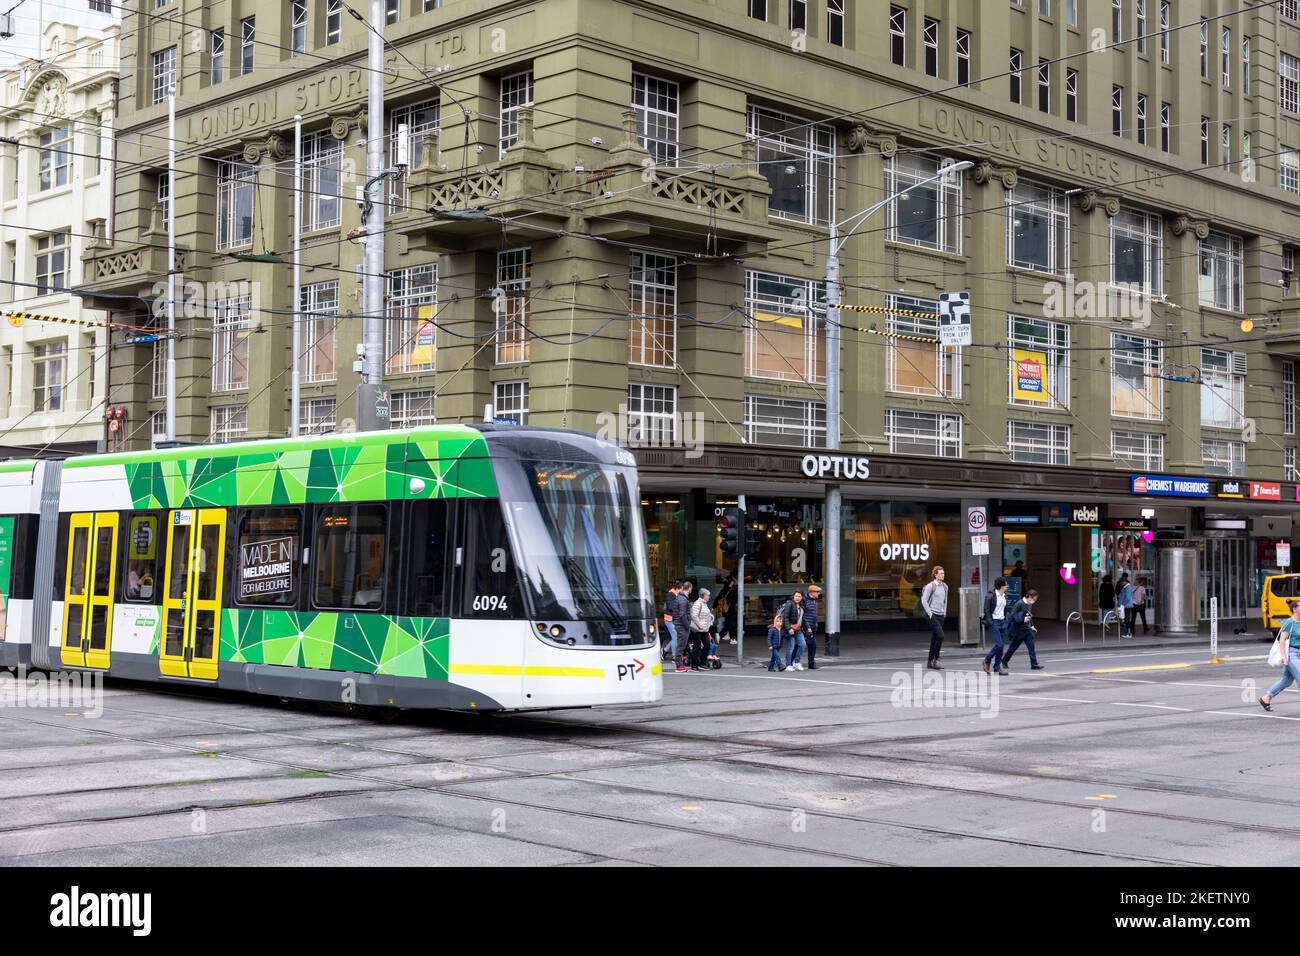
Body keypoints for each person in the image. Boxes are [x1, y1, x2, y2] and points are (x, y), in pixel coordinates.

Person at [1260, 599, 1300, 710]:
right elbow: (1282, 640)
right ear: (1294, 609)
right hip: (1291, 654)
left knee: (1286, 681)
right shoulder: (1289, 622)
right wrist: (1284, 656)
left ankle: (1266, 698)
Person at [1002, 589, 1043, 672]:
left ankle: (1034, 664)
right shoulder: (1019, 604)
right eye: (1034, 599)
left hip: (1027, 630)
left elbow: (1029, 615)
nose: (1034, 601)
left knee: (1031, 647)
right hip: (1019, 630)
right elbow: (1012, 616)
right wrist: (1021, 619)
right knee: (1013, 648)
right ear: (1029, 597)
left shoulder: (1029, 604)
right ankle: (1004, 660)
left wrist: (1032, 626)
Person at [921, 566, 948, 670]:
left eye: (943, 573)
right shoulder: (930, 586)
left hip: (941, 615)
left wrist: (944, 613)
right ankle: (936, 659)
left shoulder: (945, 586)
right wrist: (929, 612)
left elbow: (945, 600)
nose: (942, 575)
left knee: (935, 638)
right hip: (932, 615)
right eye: (940, 573)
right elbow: (924, 600)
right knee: (940, 636)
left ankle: (929, 662)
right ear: (935, 575)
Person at [981, 576, 1009, 675]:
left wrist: (1006, 620)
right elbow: (986, 610)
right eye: (1006, 584)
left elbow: (1005, 610)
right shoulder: (990, 596)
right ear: (1001, 586)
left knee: (1001, 647)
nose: (1007, 586)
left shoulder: (1005, 596)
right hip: (994, 622)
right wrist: (990, 622)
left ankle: (997, 668)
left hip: (1002, 622)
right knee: (999, 644)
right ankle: (987, 660)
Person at [777, 589, 807, 671]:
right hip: (790, 629)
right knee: (791, 647)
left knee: (802, 644)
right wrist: (789, 628)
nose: (798, 598)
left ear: (802, 597)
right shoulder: (789, 604)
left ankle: (796, 662)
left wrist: (808, 627)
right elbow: (785, 617)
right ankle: (788, 665)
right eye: (796, 596)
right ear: (793, 596)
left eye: (799, 596)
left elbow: (803, 618)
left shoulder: (801, 605)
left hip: (798, 628)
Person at [687, 586, 715, 671]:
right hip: (697, 630)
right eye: (708, 595)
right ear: (703, 595)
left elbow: (706, 615)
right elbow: (694, 616)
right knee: (697, 647)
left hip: (704, 630)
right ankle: (695, 665)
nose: (709, 597)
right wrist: (700, 625)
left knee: (707, 645)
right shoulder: (697, 603)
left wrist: (710, 617)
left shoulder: (704, 604)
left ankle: (702, 663)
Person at [672, 581, 693, 673]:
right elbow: (682, 615)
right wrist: (687, 625)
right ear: (689, 588)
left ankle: (680, 664)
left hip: (679, 624)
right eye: (691, 588)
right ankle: (679, 666)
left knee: (681, 645)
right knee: (681, 645)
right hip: (682, 625)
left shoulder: (680, 598)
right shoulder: (683, 600)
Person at [714, 572, 739, 644]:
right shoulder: (733, 590)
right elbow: (734, 600)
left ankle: (732, 638)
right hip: (730, 609)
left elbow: (718, 597)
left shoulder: (724, 589)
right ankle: (720, 635)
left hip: (724, 609)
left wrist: (714, 606)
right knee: (730, 624)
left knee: (730, 623)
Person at [804, 584, 821, 670]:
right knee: (800, 645)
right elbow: (803, 615)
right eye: (817, 592)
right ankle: (792, 662)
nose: (818, 593)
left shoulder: (814, 601)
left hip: (813, 627)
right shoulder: (805, 600)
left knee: (812, 645)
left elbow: (814, 614)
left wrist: (815, 624)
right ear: (811, 592)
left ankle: (811, 663)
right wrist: (807, 626)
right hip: (805, 627)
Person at [662, 581, 681, 661]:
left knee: (675, 637)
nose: (682, 591)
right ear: (678, 588)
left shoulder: (676, 594)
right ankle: (674, 656)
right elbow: (670, 607)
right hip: (669, 619)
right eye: (681, 589)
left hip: (673, 619)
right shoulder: (671, 594)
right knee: (675, 637)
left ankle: (665, 650)